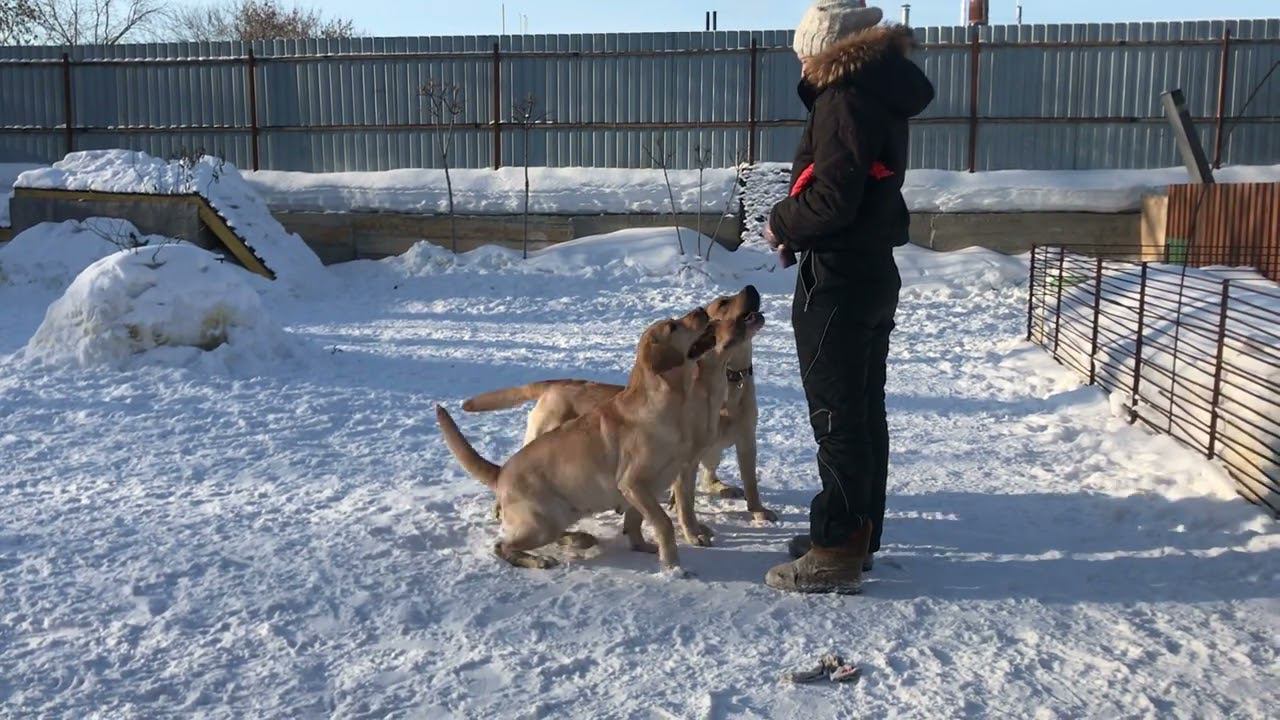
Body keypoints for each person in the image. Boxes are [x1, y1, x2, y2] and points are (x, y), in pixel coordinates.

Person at [762, 1, 934, 594]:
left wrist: (780, 221)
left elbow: (833, 198)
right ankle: (855, 533)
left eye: (802, 53)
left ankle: (836, 549)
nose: (799, 64)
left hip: (838, 275)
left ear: (826, 49)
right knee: (861, 408)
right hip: (870, 268)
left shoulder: (844, 96)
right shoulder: (877, 89)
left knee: (837, 414)